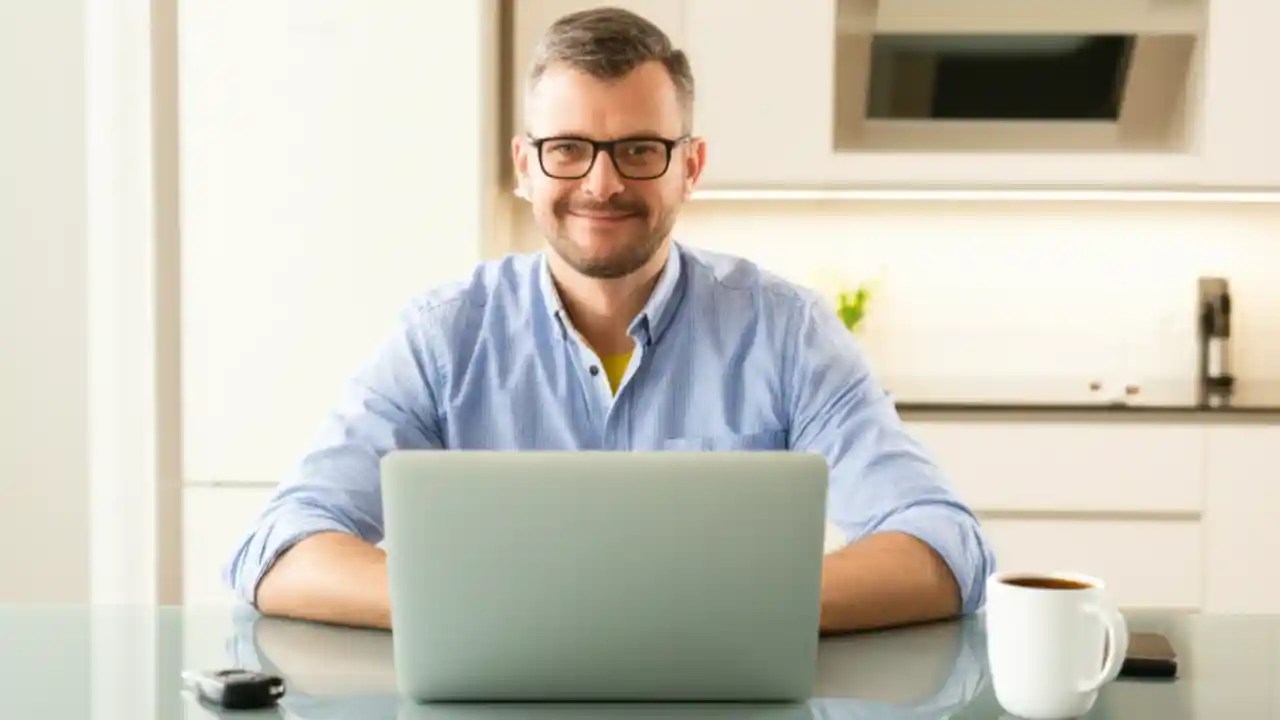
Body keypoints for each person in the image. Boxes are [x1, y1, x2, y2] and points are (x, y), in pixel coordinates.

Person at [225, 7, 995, 634]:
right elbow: (280, 548)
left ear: (689, 166)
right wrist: (492, 610)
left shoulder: (785, 332)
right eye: (568, 149)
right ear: (525, 166)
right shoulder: (444, 338)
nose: (601, 183)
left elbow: (943, 544)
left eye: (638, 149)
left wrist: (730, 614)